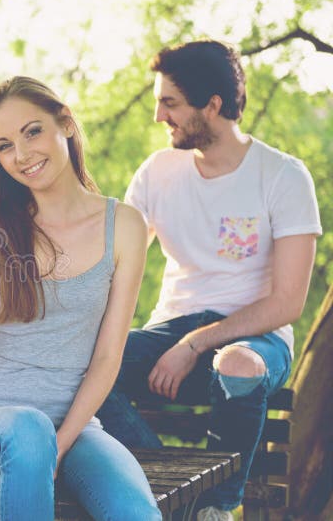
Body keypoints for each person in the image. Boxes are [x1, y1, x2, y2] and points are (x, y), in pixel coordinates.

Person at [95, 40, 322, 520]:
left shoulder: (282, 176)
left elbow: (286, 303)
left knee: (237, 362)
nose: (158, 114)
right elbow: (114, 261)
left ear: (212, 106)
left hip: (254, 343)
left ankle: (216, 508)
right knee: (81, 368)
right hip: (172, 336)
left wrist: (196, 344)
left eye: (170, 102)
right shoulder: (159, 171)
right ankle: (178, 493)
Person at [0, 76, 161, 521]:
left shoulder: (124, 225)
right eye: (5, 145)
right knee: (27, 428)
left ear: (66, 124)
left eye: (33, 131)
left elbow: (107, 358)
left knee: (137, 513)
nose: (22, 154)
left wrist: (63, 443)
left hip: (71, 429)